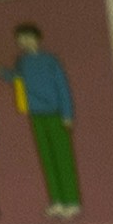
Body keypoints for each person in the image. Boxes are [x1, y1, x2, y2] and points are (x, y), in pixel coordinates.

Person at [11, 20, 79, 212]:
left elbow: (63, 88)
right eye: (20, 39)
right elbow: (16, 78)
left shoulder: (50, 60)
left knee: (63, 158)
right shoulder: (22, 61)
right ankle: (57, 201)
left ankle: (72, 202)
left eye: (27, 37)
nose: (23, 41)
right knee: (47, 159)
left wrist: (67, 114)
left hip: (55, 114)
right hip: (35, 115)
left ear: (36, 38)